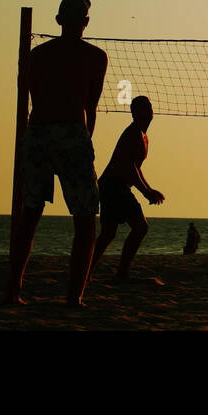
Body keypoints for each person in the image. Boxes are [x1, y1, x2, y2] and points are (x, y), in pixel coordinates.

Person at [6, 0, 107, 307]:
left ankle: (13, 291)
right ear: (85, 22)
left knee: (30, 213)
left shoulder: (37, 54)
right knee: (86, 218)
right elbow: (90, 105)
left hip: (37, 132)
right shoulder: (94, 56)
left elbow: (29, 96)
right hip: (68, 132)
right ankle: (74, 296)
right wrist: (83, 140)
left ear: (58, 19)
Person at [90, 95, 165, 282]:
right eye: (142, 109)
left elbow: (136, 168)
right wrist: (146, 191)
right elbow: (129, 167)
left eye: (149, 108)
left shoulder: (144, 136)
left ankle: (87, 271)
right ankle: (120, 272)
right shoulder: (133, 133)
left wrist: (148, 188)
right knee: (139, 227)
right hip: (114, 184)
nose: (147, 113)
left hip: (115, 184)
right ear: (134, 113)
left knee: (108, 233)